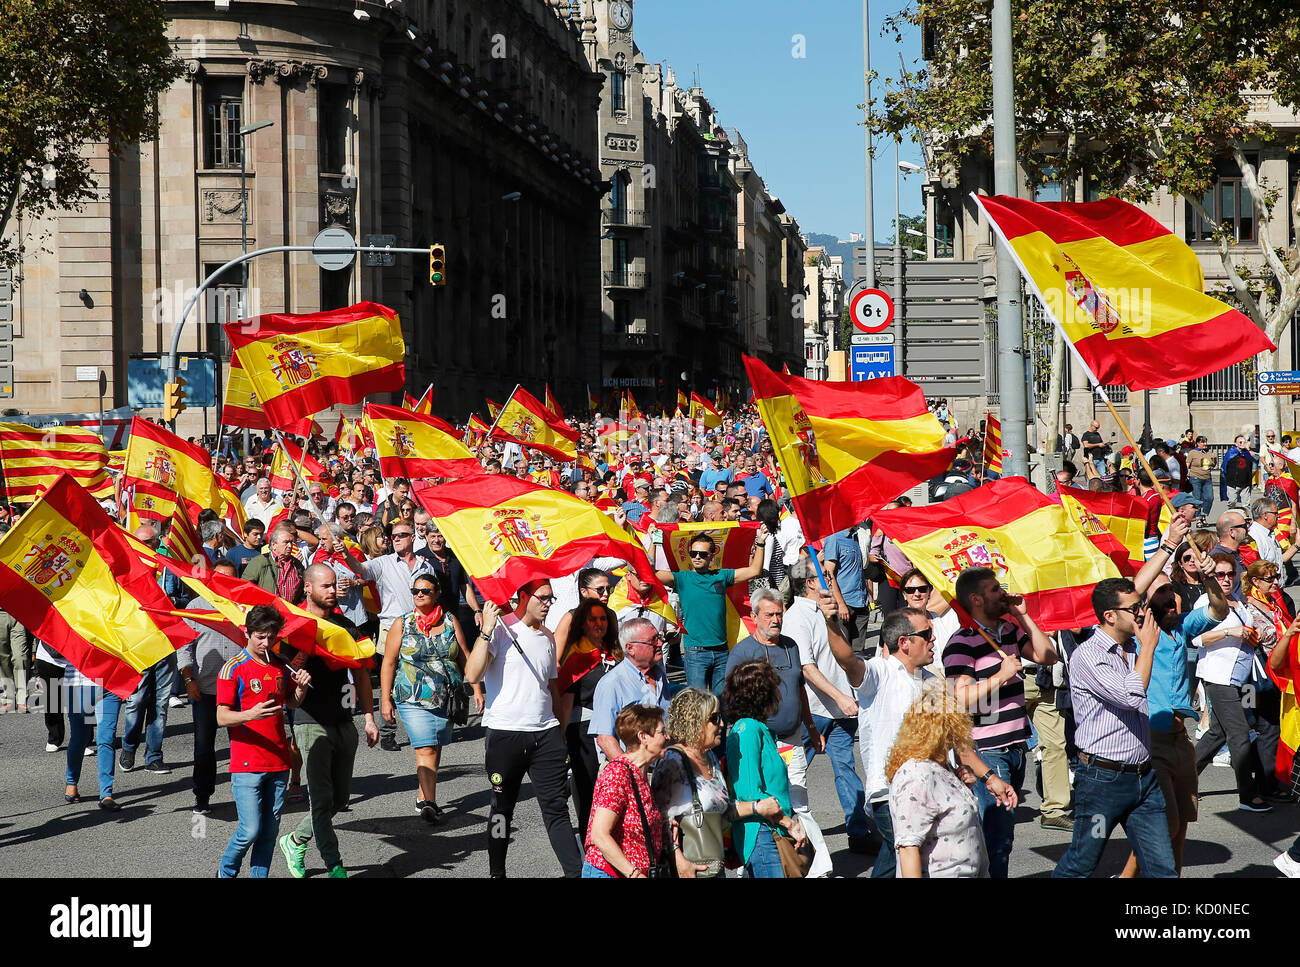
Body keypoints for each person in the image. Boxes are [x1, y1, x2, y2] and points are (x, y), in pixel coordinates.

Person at [824, 602, 1016, 876]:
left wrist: (990, 779)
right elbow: (847, 660)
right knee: (901, 851)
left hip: (935, 788)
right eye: (927, 634)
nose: (934, 638)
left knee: (916, 859)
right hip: (889, 792)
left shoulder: (934, 683)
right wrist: (831, 623)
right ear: (904, 642)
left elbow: (959, 743)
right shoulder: (880, 672)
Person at [1118, 519, 1227, 876]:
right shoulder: (1137, 633)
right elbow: (1134, 590)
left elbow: (1218, 610)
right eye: (1167, 604)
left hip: (1182, 737)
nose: (1174, 610)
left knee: (1181, 824)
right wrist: (1168, 546)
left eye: (1177, 604)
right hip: (1151, 737)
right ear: (1149, 608)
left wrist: (1211, 579)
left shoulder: (1180, 627)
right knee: (1164, 823)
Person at [1052, 578, 1179, 878]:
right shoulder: (1089, 655)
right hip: (1102, 781)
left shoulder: (1133, 646)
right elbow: (1130, 696)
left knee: (1162, 868)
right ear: (1109, 615)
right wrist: (1148, 648)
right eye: (1134, 607)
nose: (1141, 613)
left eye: (1141, 605)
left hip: (1143, 778)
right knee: (1082, 862)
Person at [943, 567, 1058, 877]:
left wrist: (1023, 616)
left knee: (1002, 834)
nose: (1003, 593)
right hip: (986, 751)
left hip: (1017, 745)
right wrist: (1001, 676)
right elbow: (960, 698)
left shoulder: (1008, 631)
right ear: (976, 599)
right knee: (996, 837)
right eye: (995, 590)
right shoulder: (961, 643)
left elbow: (1048, 655)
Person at [465, 584, 583, 878]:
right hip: (506, 736)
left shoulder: (547, 637)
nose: (548, 604)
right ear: (523, 597)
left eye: (550, 598)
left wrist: (560, 729)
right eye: (542, 598)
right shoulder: (501, 630)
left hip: (547, 735)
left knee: (557, 811)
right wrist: (486, 629)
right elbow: (472, 674)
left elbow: (552, 688)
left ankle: (576, 874)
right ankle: (497, 872)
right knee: (501, 809)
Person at [278, 564, 379, 878]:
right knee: (321, 800)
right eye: (326, 586)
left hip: (343, 720)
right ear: (308, 588)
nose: (334, 591)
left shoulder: (346, 625)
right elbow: (281, 675)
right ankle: (334, 865)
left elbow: (361, 672)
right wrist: (298, 668)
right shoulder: (292, 626)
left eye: (335, 585)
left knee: (339, 799)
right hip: (309, 721)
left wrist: (369, 717)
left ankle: (295, 839)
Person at [723, 588, 833, 875]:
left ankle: (810, 864)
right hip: (759, 742)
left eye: (779, 614)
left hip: (792, 737)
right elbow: (732, 696)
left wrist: (810, 726)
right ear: (754, 616)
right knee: (765, 799)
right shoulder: (743, 652)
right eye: (769, 614)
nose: (776, 620)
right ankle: (767, 856)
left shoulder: (791, 646)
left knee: (797, 801)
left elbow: (799, 689)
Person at [784, 556, 872, 853]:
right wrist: (840, 697)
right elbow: (806, 667)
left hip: (839, 709)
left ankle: (859, 832)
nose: (830, 578)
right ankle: (781, 829)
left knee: (846, 769)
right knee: (793, 774)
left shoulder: (827, 611)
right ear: (810, 583)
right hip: (814, 711)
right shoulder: (797, 616)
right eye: (823, 575)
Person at [216, 605, 311, 878]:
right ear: (247, 632)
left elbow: (290, 702)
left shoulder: (281, 664)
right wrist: (250, 714)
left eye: (271, 637)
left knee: (269, 833)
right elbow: (222, 716)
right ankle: (226, 873)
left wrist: (302, 687)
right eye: (260, 636)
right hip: (247, 763)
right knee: (250, 830)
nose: (266, 643)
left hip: (279, 762)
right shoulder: (232, 668)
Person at [653, 687, 777, 878]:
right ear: (694, 722)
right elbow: (659, 819)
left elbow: (723, 810)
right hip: (687, 867)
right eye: (714, 718)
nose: (721, 724)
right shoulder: (672, 762)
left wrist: (757, 807)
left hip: (712, 865)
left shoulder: (709, 756)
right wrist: (680, 862)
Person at [378, 573, 467, 826]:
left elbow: (464, 657)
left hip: (446, 696)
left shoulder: (450, 621)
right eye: (415, 590)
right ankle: (430, 803)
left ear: (437, 593)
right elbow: (389, 662)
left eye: (425, 591)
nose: (419, 594)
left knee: (435, 745)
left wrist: (479, 690)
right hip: (411, 696)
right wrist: (385, 699)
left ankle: (421, 796)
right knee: (425, 747)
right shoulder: (402, 623)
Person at [1192, 552, 1276, 812]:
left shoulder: (1238, 601)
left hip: (1240, 676)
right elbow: (1196, 639)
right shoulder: (1205, 602)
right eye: (1220, 574)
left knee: (1218, 732)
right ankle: (1247, 796)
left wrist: (1252, 635)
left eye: (1230, 574)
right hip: (1218, 676)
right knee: (1239, 732)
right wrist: (1230, 631)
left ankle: (1181, 778)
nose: (1226, 579)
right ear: (1210, 576)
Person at [887, 688, 989, 878]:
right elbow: (908, 848)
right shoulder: (917, 775)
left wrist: (963, 789)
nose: (960, 739)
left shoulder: (941, 765)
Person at [723, 659, 810, 877]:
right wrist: (789, 824)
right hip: (762, 835)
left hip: (770, 831)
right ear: (762, 694)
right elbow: (750, 792)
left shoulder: (759, 729)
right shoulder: (748, 729)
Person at [653, 529, 765, 697]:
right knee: (698, 703)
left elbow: (754, 570)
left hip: (721, 650)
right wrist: (654, 542)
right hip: (696, 652)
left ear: (712, 556)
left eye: (703, 554)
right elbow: (649, 573)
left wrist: (761, 542)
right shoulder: (683, 578)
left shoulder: (722, 575)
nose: (697, 557)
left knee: (720, 703)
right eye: (693, 553)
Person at [360, 520, 436, 750]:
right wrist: (346, 555)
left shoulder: (426, 566)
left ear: (412, 537)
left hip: (419, 627)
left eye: (401, 535)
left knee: (420, 678)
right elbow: (361, 569)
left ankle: (421, 727)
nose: (396, 539)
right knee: (389, 681)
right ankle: (388, 733)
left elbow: (433, 597)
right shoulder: (383, 562)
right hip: (390, 628)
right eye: (393, 536)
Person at [177, 559, 245, 814]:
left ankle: (244, 795)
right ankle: (202, 797)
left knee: (241, 746)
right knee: (204, 747)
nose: (223, 583)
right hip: (204, 690)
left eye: (229, 578)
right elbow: (184, 647)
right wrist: (188, 680)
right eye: (219, 578)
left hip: (239, 690)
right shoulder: (195, 607)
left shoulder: (244, 607)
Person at [556, 598, 621, 836]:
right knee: (591, 793)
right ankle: (591, 847)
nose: (598, 624)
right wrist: (559, 738)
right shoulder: (575, 656)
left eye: (602, 618)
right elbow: (566, 700)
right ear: (582, 624)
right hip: (585, 731)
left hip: (617, 730)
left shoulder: (613, 651)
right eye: (592, 619)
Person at [581, 705, 669, 877]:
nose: (668, 736)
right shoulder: (618, 774)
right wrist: (634, 874)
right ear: (643, 737)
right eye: (662, 732)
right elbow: (599, 835)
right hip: (607, 873)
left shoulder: (638, 773)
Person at [590, 617, 671, 762]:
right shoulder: (612, 683)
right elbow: (604, 738)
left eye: (659, 637)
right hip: (633, 770)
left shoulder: (659, 674)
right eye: (653, 640)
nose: (660, 643)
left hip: (663, 767)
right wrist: (631, 773)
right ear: (630, 648)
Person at [823, 524, 871, 649]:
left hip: (861, 601)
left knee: (858, 653)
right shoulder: (834, 538)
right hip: (845, 603)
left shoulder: (856, 536)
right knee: (844, 651)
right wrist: (841, 604)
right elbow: (829, 574)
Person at [242, 523, 305, 604]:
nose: (290, 546)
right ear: (274, 545)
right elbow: (245, 588)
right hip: (267, 612)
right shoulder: (259, 562)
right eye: (286, 542)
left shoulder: (297, 565)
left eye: (291, 542)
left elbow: (303, 591)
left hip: (290, 613)